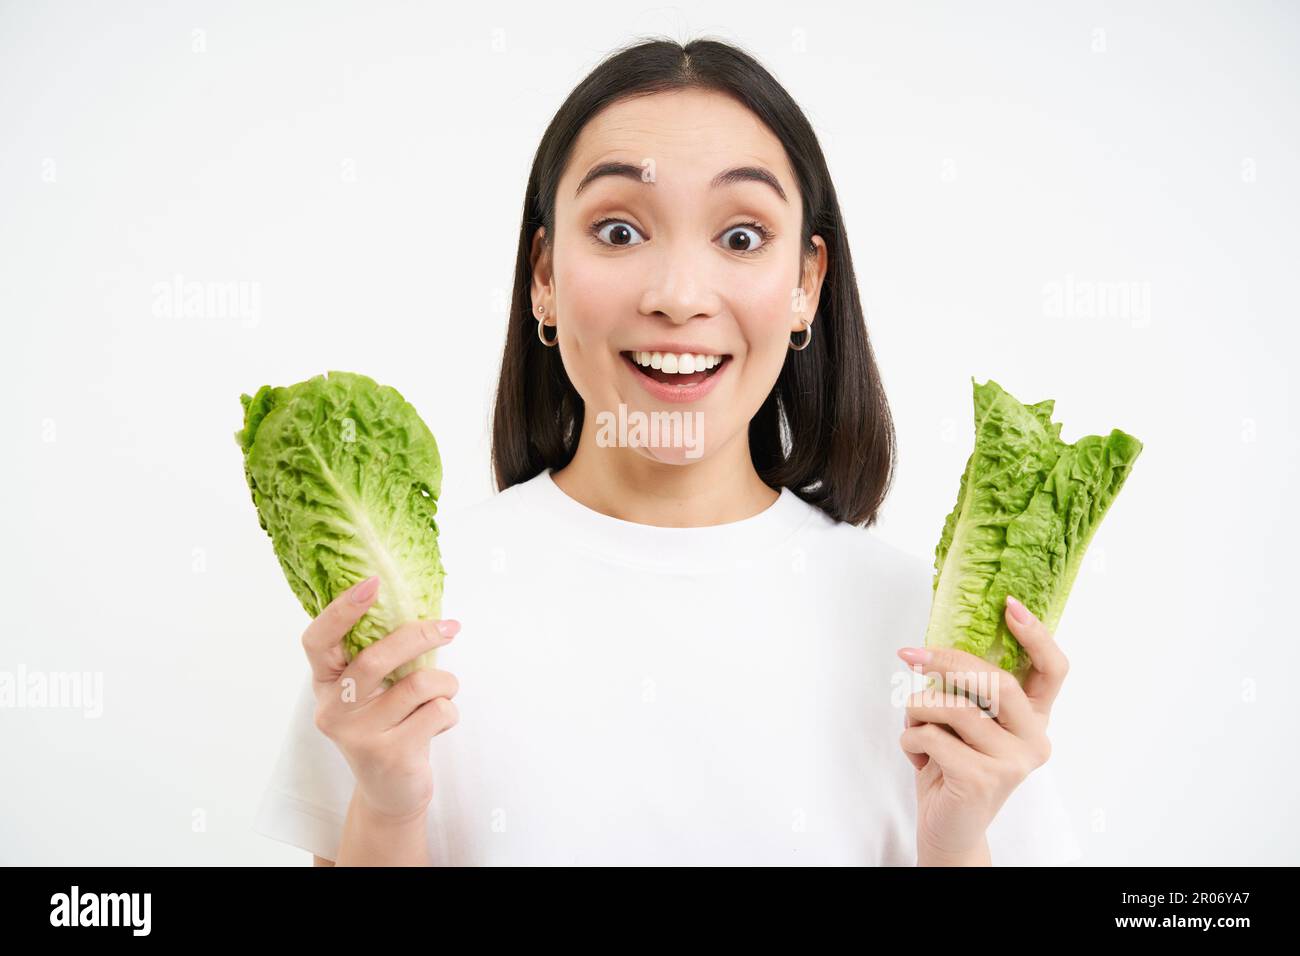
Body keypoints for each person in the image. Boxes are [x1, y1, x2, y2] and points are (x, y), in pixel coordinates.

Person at [253, 36, 1083, 867]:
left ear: (807, 285)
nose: (678, 297)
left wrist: (954, 843)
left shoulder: (929, 642)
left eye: (743, 238)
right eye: (618, 230)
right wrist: (391, 815)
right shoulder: (403, 624)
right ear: (543, 274)